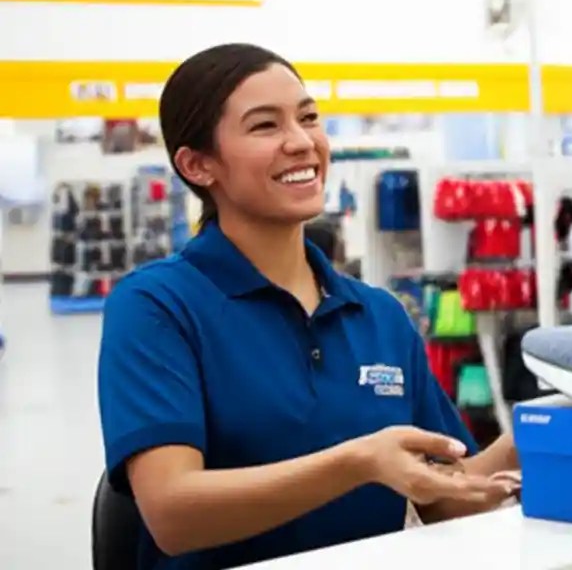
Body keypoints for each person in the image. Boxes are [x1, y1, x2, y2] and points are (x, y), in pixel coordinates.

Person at [97, 44, 520, 570]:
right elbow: (173, 512)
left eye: (308, 117)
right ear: (198, 165)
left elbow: (445, 498)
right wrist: (359, 463)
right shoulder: (157, 307)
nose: (301, 142)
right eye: (264, 126)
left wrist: (537, 429)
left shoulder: (379, 316)